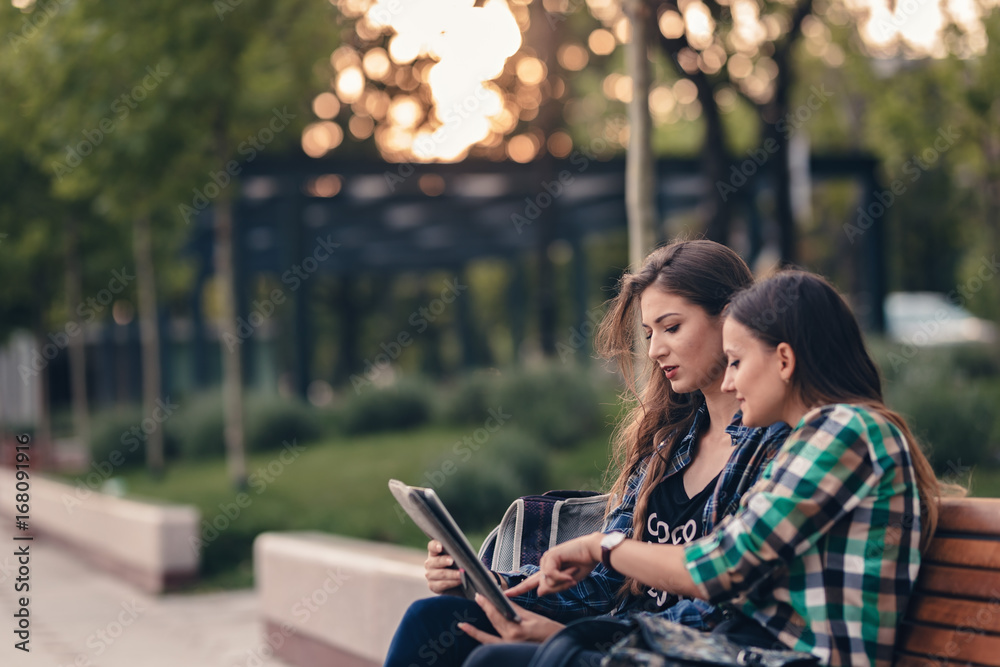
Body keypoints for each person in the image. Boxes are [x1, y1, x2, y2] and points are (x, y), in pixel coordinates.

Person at [383, 240, 790, 667]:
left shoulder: (773, 452)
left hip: (668, 651)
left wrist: (575, 639)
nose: (654, 351)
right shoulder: (669, 447)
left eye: (671, 328)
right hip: (617, 635)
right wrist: (492, 583)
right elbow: (602, 584)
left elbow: (729, 609)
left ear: (730, 319)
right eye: (649, 334)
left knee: (493, 661)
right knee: (433, 618)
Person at [524, 270, 951, 667]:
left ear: (784, 360)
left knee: (556, 653)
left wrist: (602, 547)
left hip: (788, 658)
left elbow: (722, 566)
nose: (728, 383)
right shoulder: (819, 437)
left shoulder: (844, 431)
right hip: (749, 650)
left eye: (737, 362)